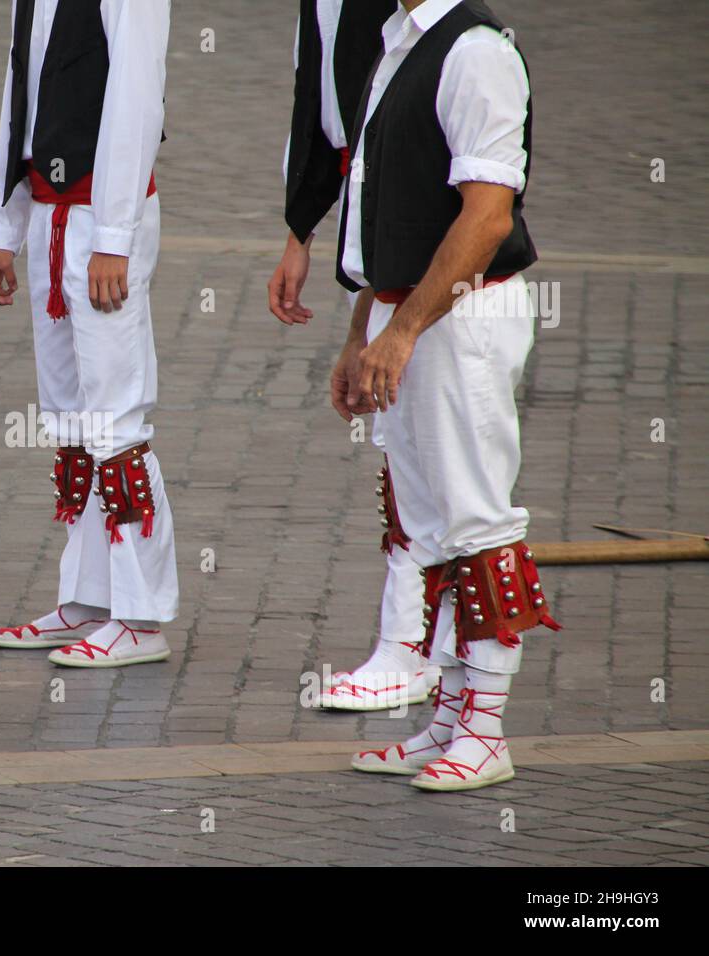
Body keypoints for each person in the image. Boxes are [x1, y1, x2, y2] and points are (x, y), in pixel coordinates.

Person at [330, 0, 560, 790]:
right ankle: (448, 723)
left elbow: (488, 218)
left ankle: (486, 731)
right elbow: (384, 215)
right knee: (424, 516)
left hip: (461, 319)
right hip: (414, 310)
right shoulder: (402, 39)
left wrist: (405, 329)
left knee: (475, 516)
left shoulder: (475, 51)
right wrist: (366, 328)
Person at [0, 0, 179, 668]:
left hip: (102, 215)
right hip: (49, 210)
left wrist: (114, 236)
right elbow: (21, 91)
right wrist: (4, 228)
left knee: (116, 412)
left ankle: (142, 615)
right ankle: (90, 597)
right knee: (70, 415)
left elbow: (135, 98)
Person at [271, 0, 437, 711]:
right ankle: (422, 647)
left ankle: (416, 647)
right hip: (364, 214)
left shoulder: (442, 35)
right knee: (401, 447)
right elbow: (316, 95)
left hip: (416, 240)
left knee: (427, 458)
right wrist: (302, 228)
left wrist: (385, 318)